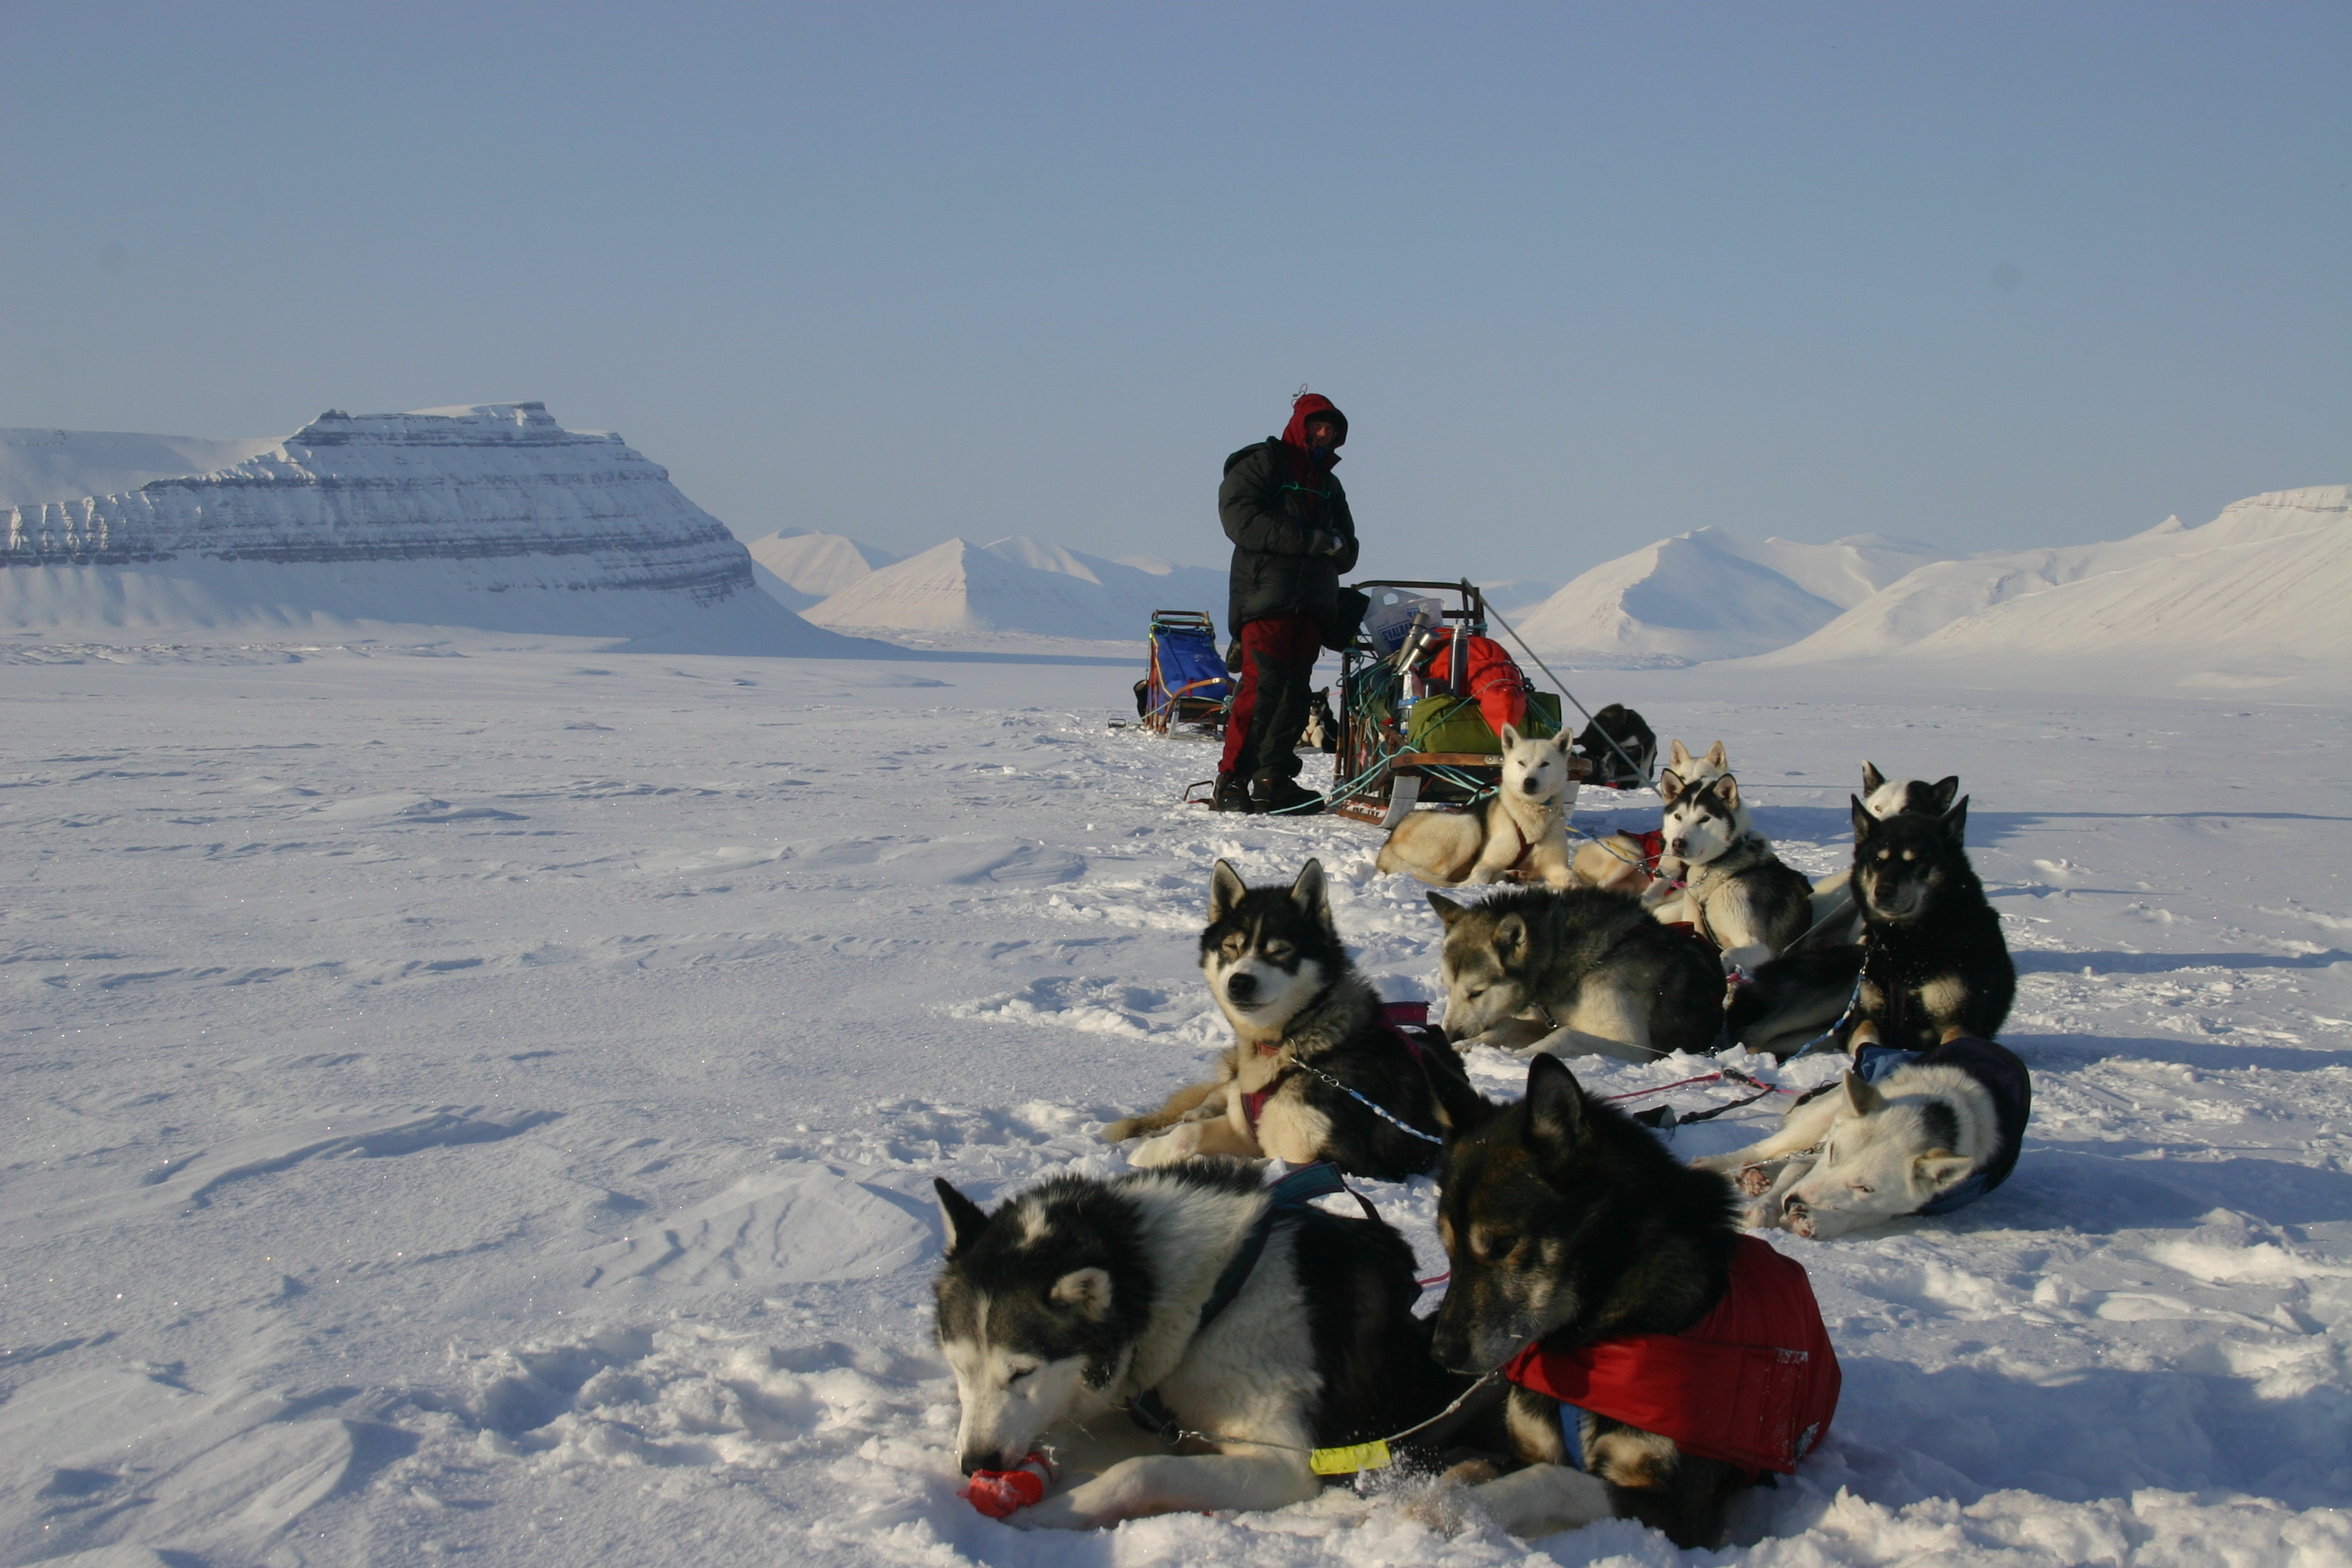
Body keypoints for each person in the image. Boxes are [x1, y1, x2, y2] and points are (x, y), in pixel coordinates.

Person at [1214, 393, 1360, 813]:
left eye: (1332, 430)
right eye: (1318, 425)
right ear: (1300, 424)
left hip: (1312, 603)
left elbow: (1349, 550)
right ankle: (1233, 779)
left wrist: (1336, 546)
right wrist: (1315, 541)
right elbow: (1240, 519)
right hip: (1266, 597)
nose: (1323, 434)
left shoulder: (1329, 485)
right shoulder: (1262, 464)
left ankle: (1274, 781)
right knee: (1262, 688)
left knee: (1295, 694)